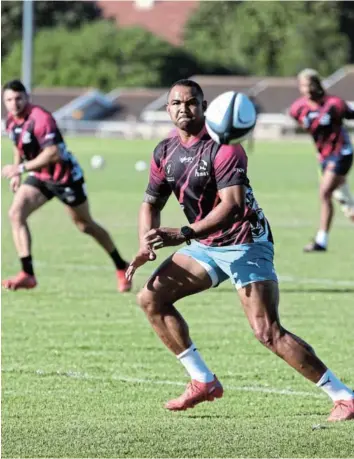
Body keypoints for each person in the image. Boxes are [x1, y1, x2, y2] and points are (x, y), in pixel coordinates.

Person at [126, 79, 354, 421]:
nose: (183, 109)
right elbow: (150, 203)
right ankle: (202, 381)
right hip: (206, 244)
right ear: (167, 108)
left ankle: (344, 397)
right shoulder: (164, 151)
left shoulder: (226, 148)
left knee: (267, 331)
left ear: (205, 107)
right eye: (176, 103)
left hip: (245, 241)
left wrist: (184, 232)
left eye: (191, 103)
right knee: (151, 298)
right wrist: (146, 241)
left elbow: (232, 206)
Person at [1, 79, 131, 293]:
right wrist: (17, 170)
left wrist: (21, 169)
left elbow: (53, 153)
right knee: (16, 213)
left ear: (27, 98)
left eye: (18, 98)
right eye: (9, 99)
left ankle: (121, 265)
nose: (14, 103)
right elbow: (19, 146)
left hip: (65, 178)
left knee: (85, 225)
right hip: (40, 176)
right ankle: (27, 274)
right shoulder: (11, 121)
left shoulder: (41, 118)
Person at [289, 68, 354, 252]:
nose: (307, 88)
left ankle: (321, 241)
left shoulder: (334, 104)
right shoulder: (298, 109)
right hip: (324, 158)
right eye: (303, 85)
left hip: (342, 153)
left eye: (310, 84)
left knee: (324, 192)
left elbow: (350, 113)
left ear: (318, 84)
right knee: (347, 205)